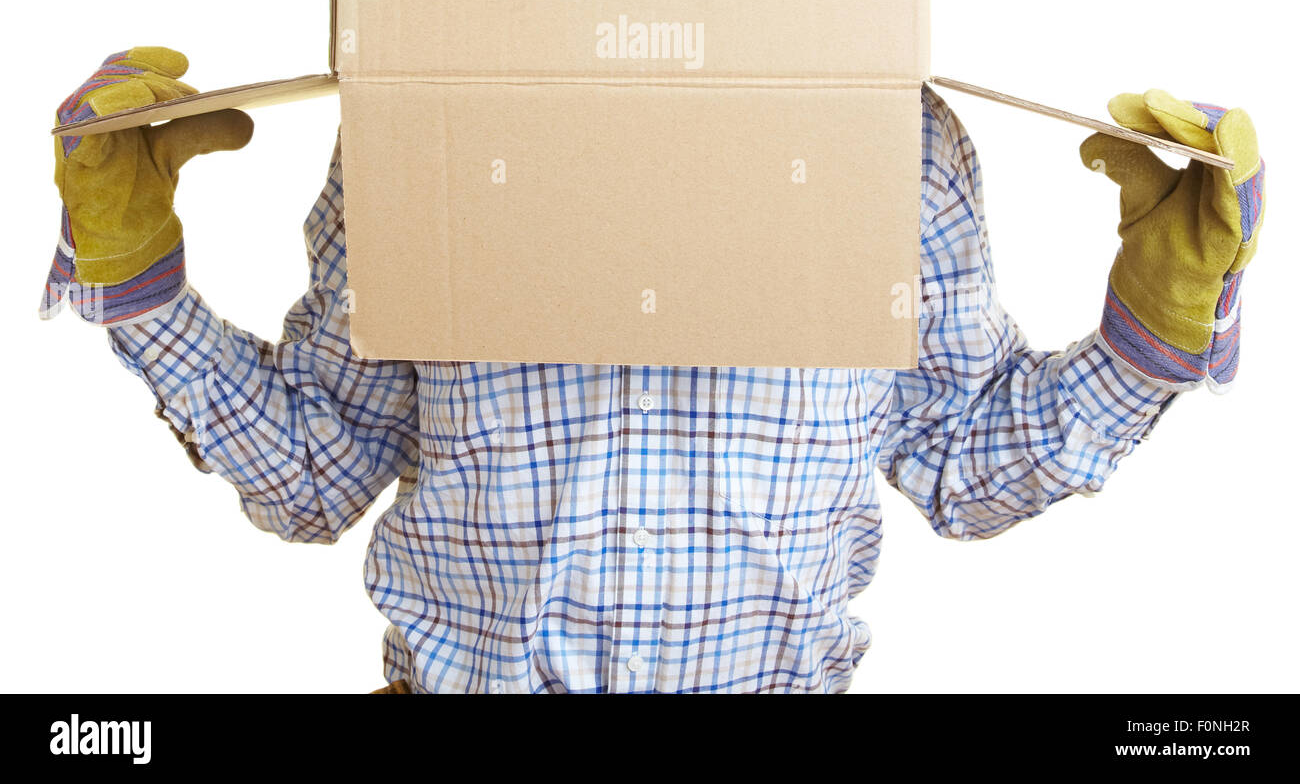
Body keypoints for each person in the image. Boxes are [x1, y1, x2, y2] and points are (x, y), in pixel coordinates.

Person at [42, 47, 1265, 695]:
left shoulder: (895, 144)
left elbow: (959, 463)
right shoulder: (428, 128)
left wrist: (1152, 326)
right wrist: (138, 276)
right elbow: (317, 471)